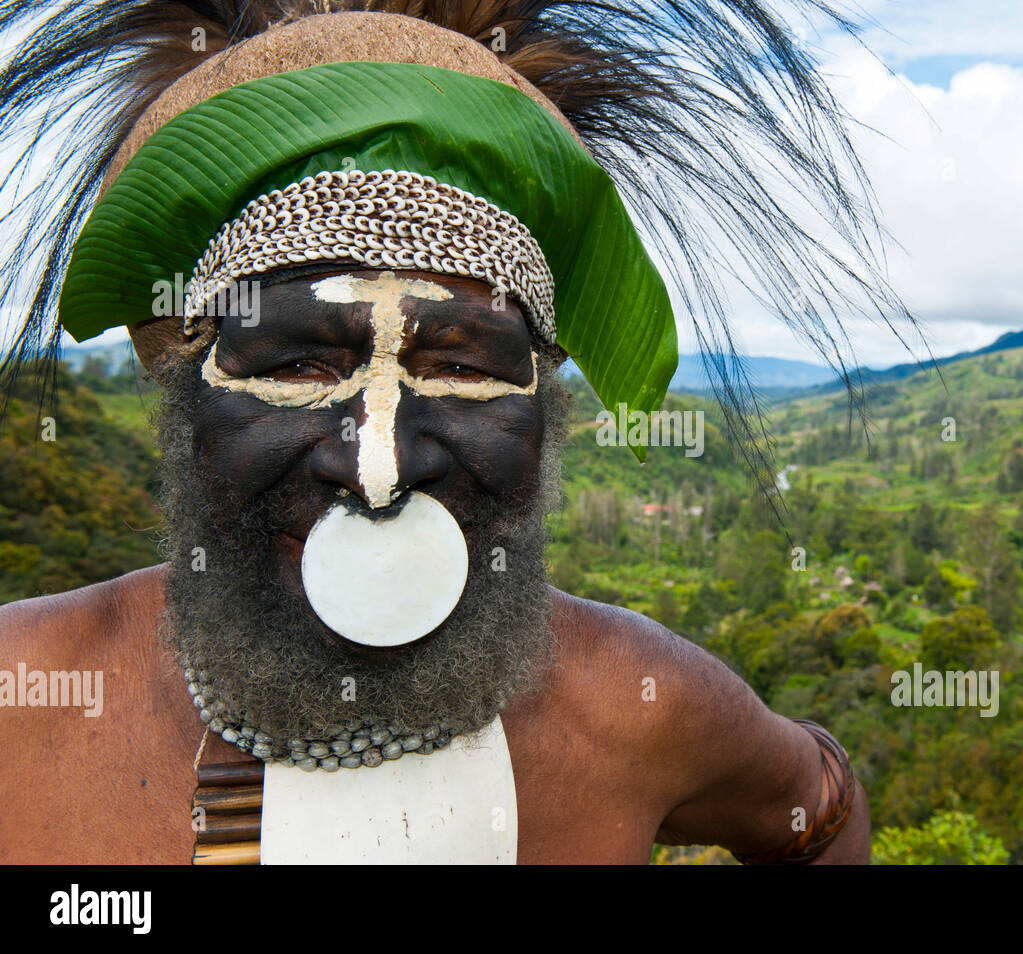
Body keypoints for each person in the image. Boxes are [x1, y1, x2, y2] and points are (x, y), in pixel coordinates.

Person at [0, 0, 905, 864]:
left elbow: (818, 807)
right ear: (186, 404)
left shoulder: (639, 703)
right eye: (297, 366)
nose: (381, 468)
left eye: (463, 368)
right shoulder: (22, 699)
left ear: (543, 419)